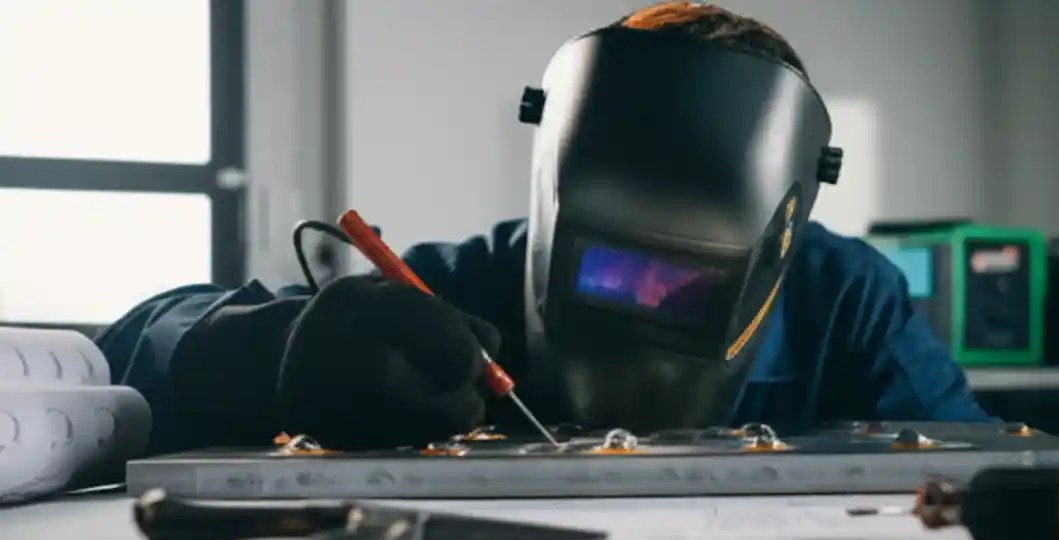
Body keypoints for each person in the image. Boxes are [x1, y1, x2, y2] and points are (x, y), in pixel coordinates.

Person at [95, 2, 989, 455]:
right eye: (617, 264)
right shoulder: (466, 288)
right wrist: (271, 351)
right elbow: (128, 353)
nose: (647, 292)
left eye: (683, 279)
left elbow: (976, 465)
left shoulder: (843, 298)